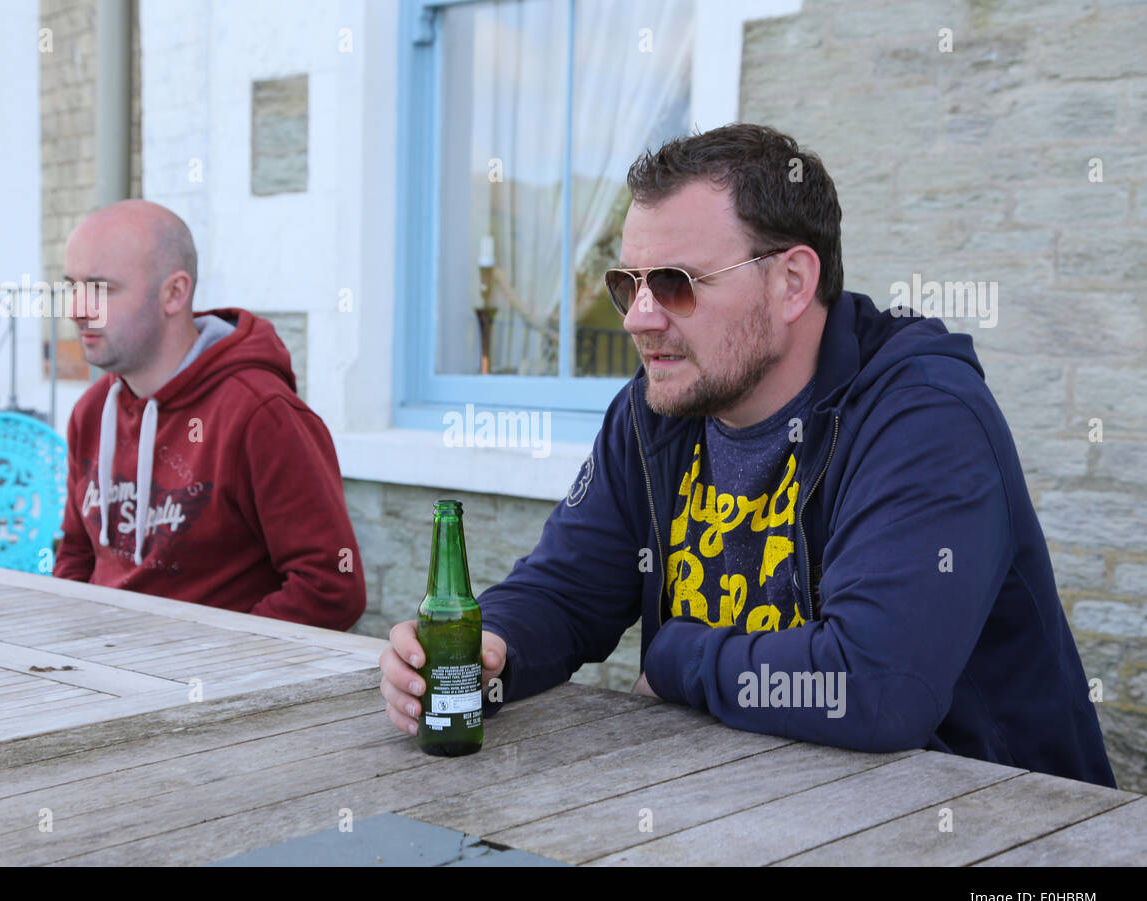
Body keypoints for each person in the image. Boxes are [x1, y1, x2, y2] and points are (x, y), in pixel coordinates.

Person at [380, 124, 1115, 787]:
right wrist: (484, 652)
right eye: (626, 284)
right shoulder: (656, 410)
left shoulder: (922, 415)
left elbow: (875, 685)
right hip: (750, 806)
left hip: (998, 835)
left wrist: (675, 659)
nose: (639, 317)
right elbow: (567, 590)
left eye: (675, 284)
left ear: (792, 282)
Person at [53, 199, 366, 631]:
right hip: (99, 672)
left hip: (211, 686)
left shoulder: (260, 413)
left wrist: (211, 663)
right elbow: (75, 555)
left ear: (175, 293)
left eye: (102, 289)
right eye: (72, 286)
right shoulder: (91, 412)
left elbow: (331, 586)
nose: (77, 309)